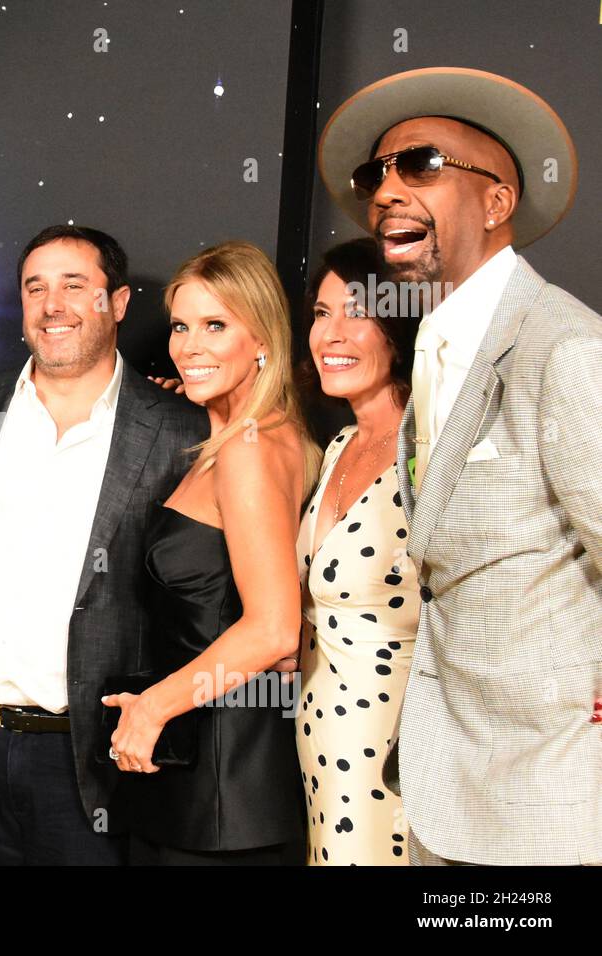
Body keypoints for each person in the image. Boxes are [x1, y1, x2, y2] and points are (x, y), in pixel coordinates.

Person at [319, 66, 602, 865]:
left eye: (423, 165)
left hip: (547, 800)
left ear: (497, 202)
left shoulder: (568, 349)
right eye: (376, 172)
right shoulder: (436, 352)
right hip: (448, 792)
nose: (386, 190)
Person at [0, 224, 208, 865]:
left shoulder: (182, 428)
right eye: (35, 287)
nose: (52, 305)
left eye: (75, 285)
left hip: (96, 756)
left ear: (118, 303)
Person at [105, 240, 319, 865]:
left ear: (262, 341)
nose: (189, 346)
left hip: (227, 787)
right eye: (180, 325)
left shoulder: (250, 449)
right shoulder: (241, 436)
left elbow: (275, 628)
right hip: (207, 771)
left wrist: (153, 709)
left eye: (215, 325)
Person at [294, 239, 418, 865]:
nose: (330, 334)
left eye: (357, 311)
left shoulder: (434, 446)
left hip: (402, 762)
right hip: (321, 751)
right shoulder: (340, 442)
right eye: (321, 313)